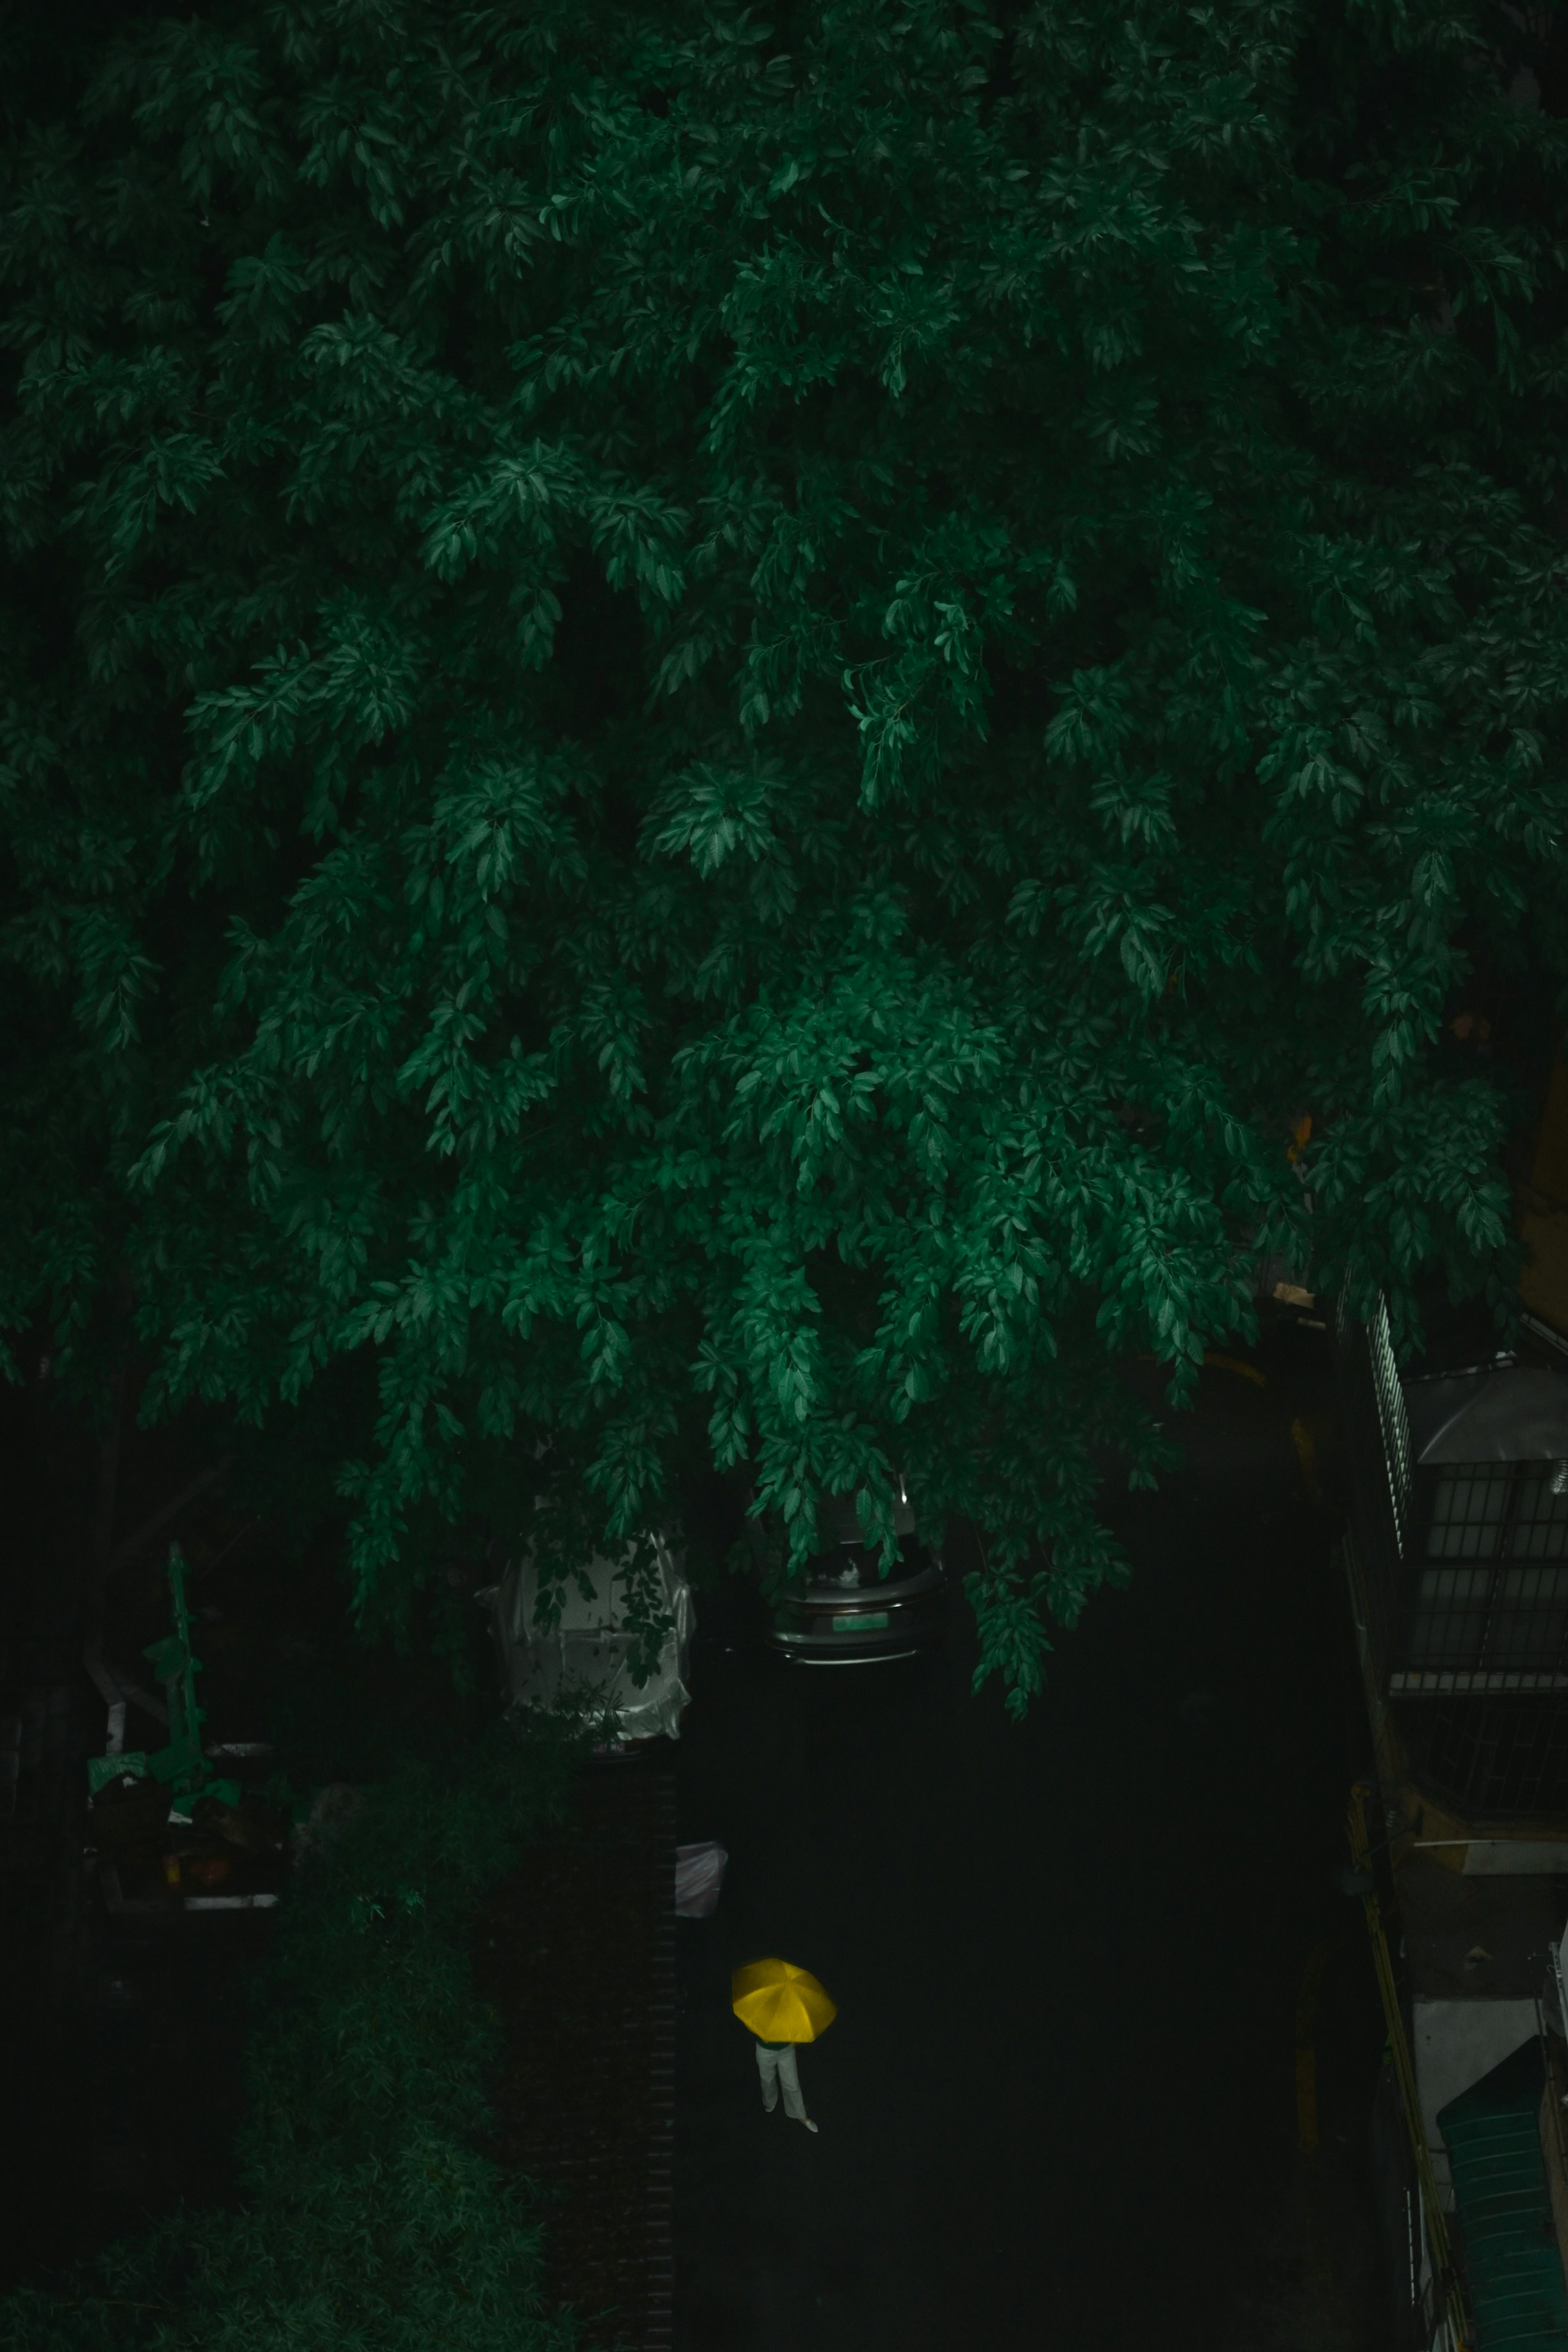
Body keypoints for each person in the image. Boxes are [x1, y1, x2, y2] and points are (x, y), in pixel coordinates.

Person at [755, 2034, 819, 2132]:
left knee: (792, 2084)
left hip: (787, 2048)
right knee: (767, 2080)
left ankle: (800, 2115)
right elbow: (753, 2026)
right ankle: (769, 2102)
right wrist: (760, 2035)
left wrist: (796, 2039)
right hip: (764, 2049)